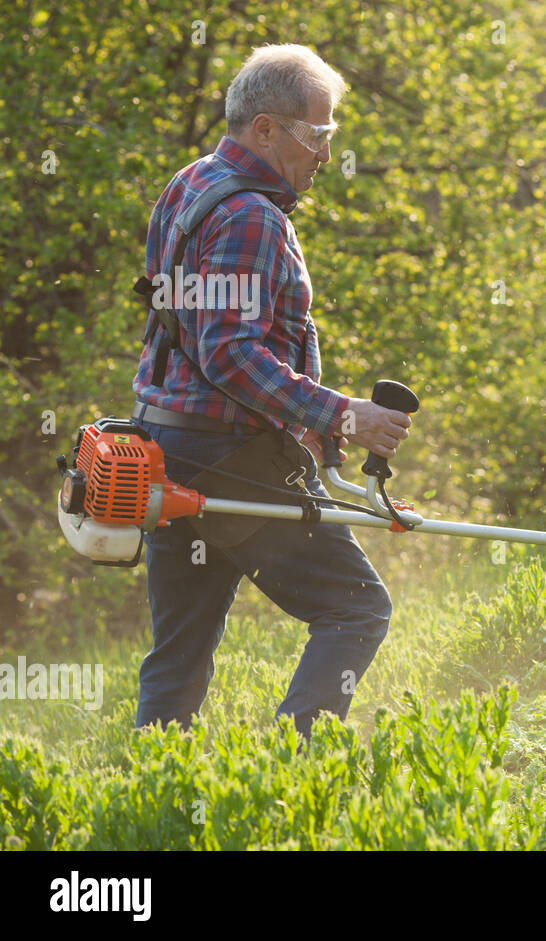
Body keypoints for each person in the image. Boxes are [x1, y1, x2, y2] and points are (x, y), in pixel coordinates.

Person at [130, 44, 412, 739]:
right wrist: (343, 412)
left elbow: (198, 341)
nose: (324, 153)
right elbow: (230, 354)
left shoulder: (188, 185)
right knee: (355, 607)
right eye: (317, 135)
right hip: (230, 457)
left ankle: (154, 806)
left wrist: (324, 456)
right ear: (264, 129)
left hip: (163, 445)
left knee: (178, 652)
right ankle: (289, 768)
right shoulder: (253, 216)